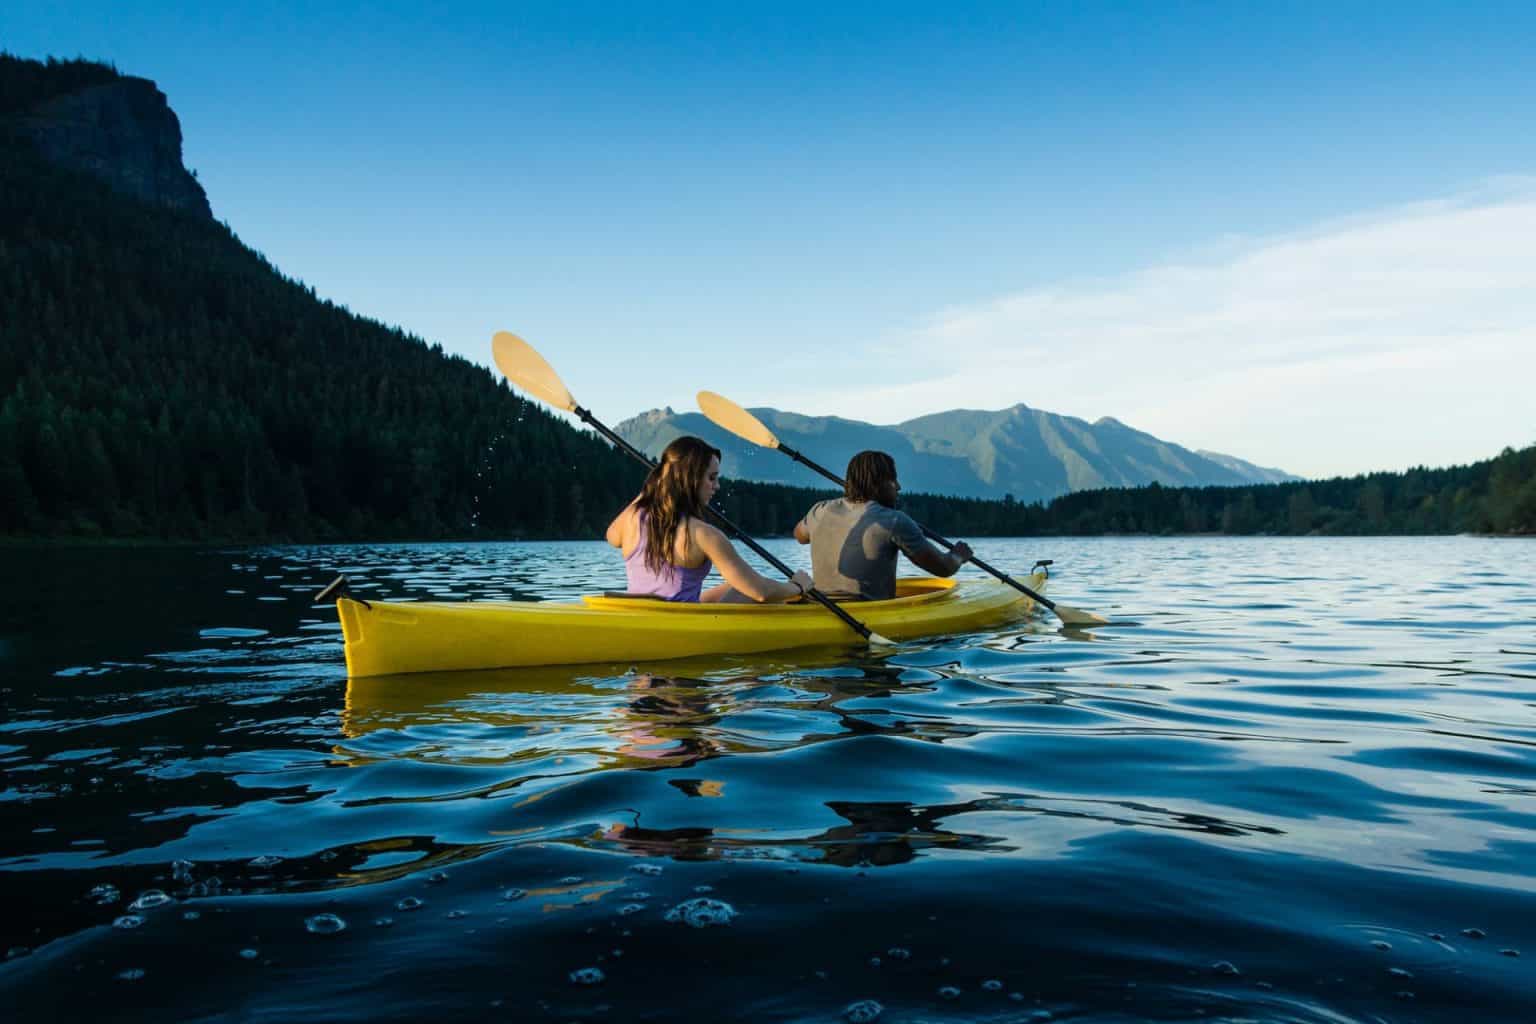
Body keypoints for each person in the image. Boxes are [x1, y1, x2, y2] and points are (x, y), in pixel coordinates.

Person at [606, 436, 813, 604]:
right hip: (680, 623)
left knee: (734, 586)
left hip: (641, 613)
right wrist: (797, 586)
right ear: (690, 479)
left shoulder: (633, 517)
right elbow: (760, 592)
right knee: (750, 589)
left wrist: (653, 486)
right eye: (711, 478)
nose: (717, 486)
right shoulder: (703, 534)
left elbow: (612, 537)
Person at [794, 450, 972, 600]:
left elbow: (799, 536)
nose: (898, 487)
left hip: (820, 607)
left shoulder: (819, 510)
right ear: (879, 484)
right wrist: (958, 556)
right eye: (893, 480)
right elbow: (943, 568)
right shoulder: (894, 520)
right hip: (868, 614)